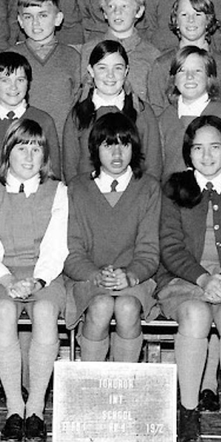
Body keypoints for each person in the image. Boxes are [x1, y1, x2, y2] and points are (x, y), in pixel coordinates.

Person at [157, 116, 221, 442]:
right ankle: (188, 413)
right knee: (196, 315)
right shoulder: (173, 189)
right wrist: (203, 279)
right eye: (198, 148)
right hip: (183, 279)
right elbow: (170, 247)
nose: (206, 155)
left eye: (214, 147)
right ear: (188, 153)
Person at [0, 119, 69, 442]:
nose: (28, 157)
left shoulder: (58, 190)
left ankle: (36, 409)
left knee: (44, 314)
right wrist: (6, 279)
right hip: (2, 272)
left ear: (44, 156)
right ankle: (14, 408)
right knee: (2, 313)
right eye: (21, 147)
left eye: (36, 148)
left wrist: (38, 281)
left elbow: (57, 248)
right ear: (7, 152)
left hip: (45, 274)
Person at [64, 113, 161, 365]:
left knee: (128, 308)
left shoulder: (148, 187)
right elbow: (72, 251)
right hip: (88, 277)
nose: (117, 154)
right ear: (95, 149)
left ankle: (125, 387)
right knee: (101, 306)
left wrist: (129, 275)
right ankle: (92, 385)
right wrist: (95, 274)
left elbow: (149, 251)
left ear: (134, 148)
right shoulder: (77, 188)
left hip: (135, 277)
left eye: (124, 144)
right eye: (108, 145)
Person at [62, 40, 162, 181]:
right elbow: (70, 168)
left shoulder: (142, 112)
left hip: (134, 197)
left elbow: (153, 166)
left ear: (126, 70)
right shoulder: (77, 114)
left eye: (118, 68)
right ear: (91, 70)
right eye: (102, 68)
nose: (110, 75)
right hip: (87, 196)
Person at [156, 46, 221, 181]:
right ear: (174, 79)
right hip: (175, 196)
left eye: (197, 71)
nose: (189, 77)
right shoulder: (166, 118)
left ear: (209, 78)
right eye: (182, 71)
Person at [0, 51, 60, 181]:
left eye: (20, 80)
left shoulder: (44, 121)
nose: (13, 87)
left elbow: (53, 171)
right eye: (5, 80)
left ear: (28, 83)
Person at [145, 0, 221, 114]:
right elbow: (155, 113)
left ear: (208, 20)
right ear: (176, 20)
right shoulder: (161, 65)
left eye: (198, 14)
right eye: (184, 14)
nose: (191, 20)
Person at [9, 0, 84, 137]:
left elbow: (79, 106)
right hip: (22, 143)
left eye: (43, 15)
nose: (35, 23)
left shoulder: (72, 57)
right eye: (28, 16)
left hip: (62, 141)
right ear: (20, 21)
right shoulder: (10, 57)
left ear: (58, 19)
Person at [78, 0, 161, 107]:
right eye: (111, 6)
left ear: (139, 11)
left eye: (125, 6)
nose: (117, 12)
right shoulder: (89, 49)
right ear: (105, 13)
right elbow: (84, 95)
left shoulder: (151, 53)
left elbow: (155, 101)